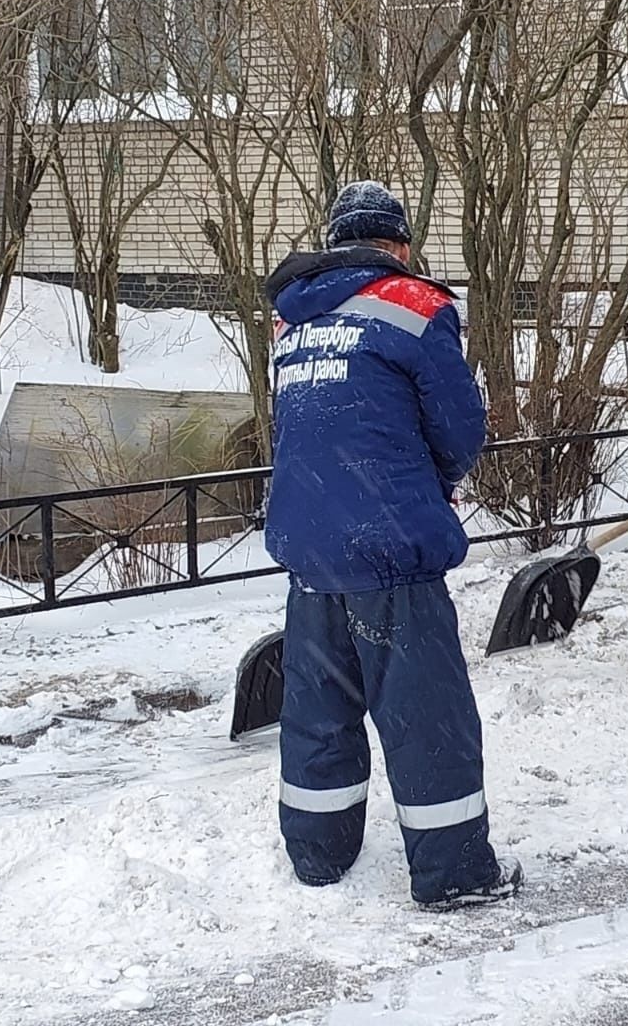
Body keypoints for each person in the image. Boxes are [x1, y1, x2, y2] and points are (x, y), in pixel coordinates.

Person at [262, 179, 523, 910]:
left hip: (308, 547)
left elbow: (307, 428)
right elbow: (458, 427)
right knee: (425, 716)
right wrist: (425, 484)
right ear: (399, 244)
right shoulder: (416, 305)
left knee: (319, 710)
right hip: (388, 545)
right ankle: (454, 875)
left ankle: (318, 854)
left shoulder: (293, 320)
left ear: (334, 240)